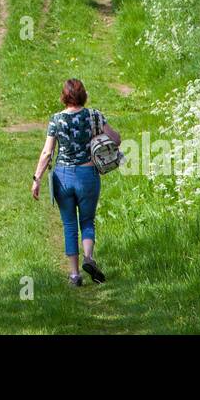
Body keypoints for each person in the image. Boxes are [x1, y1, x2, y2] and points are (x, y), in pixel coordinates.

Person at [30, 78, 121, 286]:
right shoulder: (94, 115)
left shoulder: (56, 120)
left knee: (69, 224)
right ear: (84, 96)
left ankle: (74, 275)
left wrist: (37, 179)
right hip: (88, 174)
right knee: (87, 221)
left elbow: (47, 152)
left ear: (64, 97)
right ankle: (89, 259)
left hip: (62, 175)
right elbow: (115, 139)